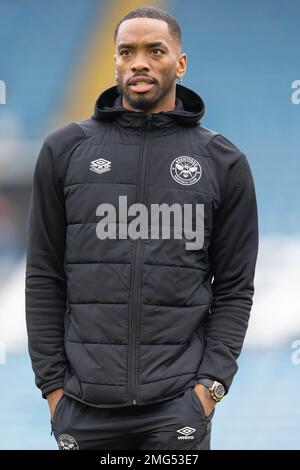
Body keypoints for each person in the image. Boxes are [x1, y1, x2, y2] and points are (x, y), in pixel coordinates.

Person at [25, 6, 259, 450]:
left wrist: (208, 388)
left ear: (180, 63)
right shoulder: (64, 150)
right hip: (82, 408)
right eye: (126, 51)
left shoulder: (223, 162)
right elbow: (43, 276)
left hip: (177, 410)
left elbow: (234, 286)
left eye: (155, 50)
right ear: (115, 61)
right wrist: (53, 389)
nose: (139, 62)